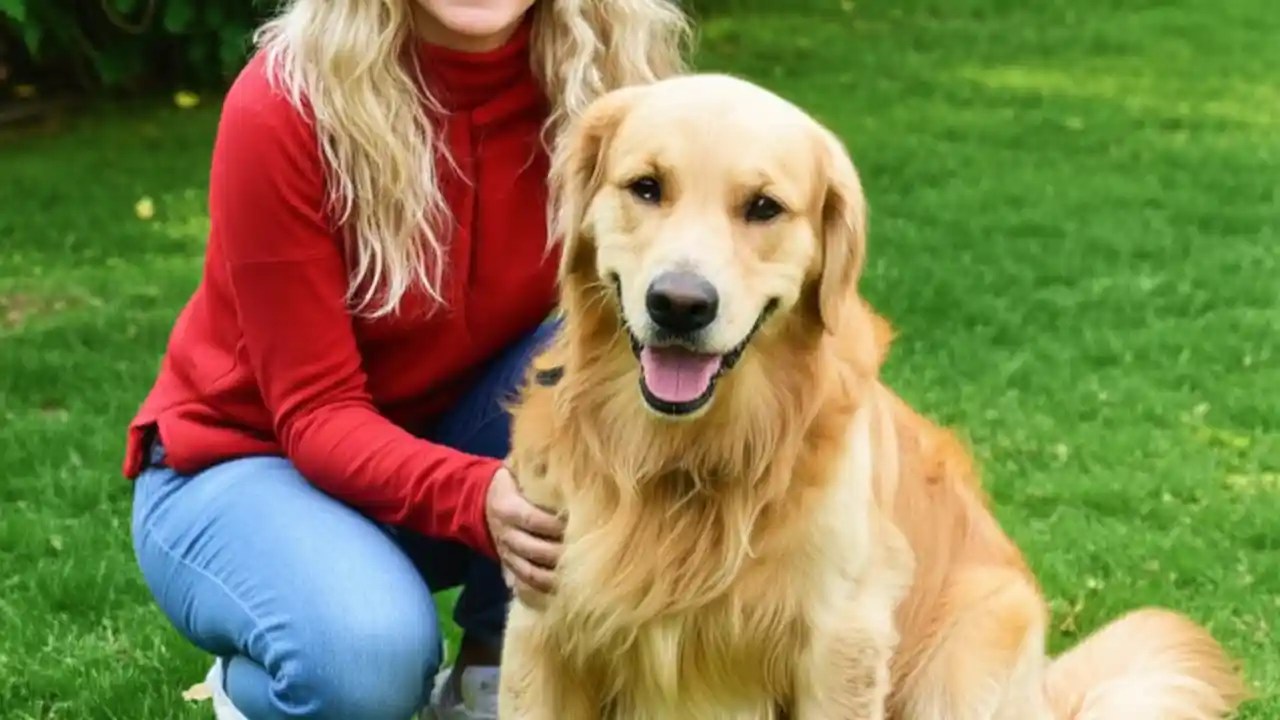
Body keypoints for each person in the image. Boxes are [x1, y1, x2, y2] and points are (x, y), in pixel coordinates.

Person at [123, 1, 690, 718]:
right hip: (242, 463)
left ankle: (494, 669)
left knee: (601, 354)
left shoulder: (616, 90)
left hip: (451, 438)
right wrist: (476, 496)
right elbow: (315, 412)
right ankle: (290, 652)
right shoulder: (284, 103)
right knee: (364, 662)